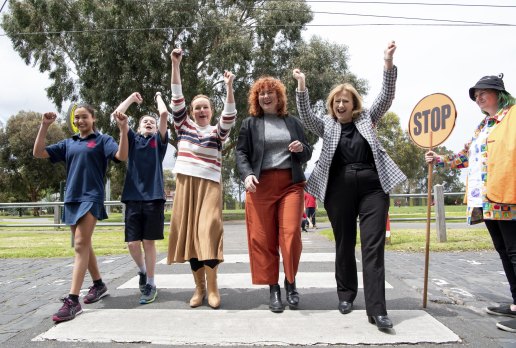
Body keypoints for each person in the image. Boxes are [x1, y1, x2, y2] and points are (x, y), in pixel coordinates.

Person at [293, 40, 406, 330]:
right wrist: (302, 86)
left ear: (354, 104)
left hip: (372, 188)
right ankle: (345, 294)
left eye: (346, 101)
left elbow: (387, 96)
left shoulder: (369, 117)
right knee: (344, 243)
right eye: (336, 102)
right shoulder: (327, 126)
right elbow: (306, 116)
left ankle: (377, 310)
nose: (341, 105)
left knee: (373, 246)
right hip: (338, 189)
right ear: (332, 106)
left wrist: (388, 64)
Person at [425, 73, 516, 333]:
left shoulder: (512, 117)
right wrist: (439, 159)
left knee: (514, 251)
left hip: (508, 194)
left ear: (499, 94)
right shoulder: (484, 125)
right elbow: (464, 157)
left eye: (483, 92)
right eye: (476, 95)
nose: (478, 98)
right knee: (503, 250)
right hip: (486, 199)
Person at [33, 106, 129, 322]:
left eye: (84, 116)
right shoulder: (69, 143)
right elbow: (38, 153)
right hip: (72, 198)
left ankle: (73, 300)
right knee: (83, 244)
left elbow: (121, 156)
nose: (80, 120)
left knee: (79, 244)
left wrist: (123, 130)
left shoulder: (103, 140)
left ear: (93, 118)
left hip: (91, 197)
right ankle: (99, 284)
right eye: (77, 117)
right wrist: (44, 126)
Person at [164, 48, 236, 309]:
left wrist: (229, 87)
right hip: (186, 184)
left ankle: (214, 287)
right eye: (197, 108)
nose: (201, 110)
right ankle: (199, 288)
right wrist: (176, 65)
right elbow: (176, 98)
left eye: (205, 107)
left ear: (210, 110)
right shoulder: (183, 126)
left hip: (209, 186)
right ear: (191, 112)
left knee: (208, 231)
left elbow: (229, 116)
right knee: (191, 237)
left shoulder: (217, 133)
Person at [236, 76, 312, 313]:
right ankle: (274, 288)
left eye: (271, 92)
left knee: (290, 235)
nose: (266, 96)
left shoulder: (293, 122)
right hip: (260, 186)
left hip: (290, 184)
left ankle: (291, 283)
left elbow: (307, 152)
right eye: (262, 93)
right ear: (256, 98)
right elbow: (241, 153)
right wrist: (247, 174)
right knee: (263, 239)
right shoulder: (250, 124)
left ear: (279, 97)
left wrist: (301, 149)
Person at [114, 92, 169, 304]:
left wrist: (157, 96)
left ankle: (151, 283)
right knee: (132, 243)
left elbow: (164, 113)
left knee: (148, 242)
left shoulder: (158, 142)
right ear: (138, 127)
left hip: (154, 197)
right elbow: (118, 115)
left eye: (152, 122)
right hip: (132, 197)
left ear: (156, 129)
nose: (149, 122)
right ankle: (143, 271)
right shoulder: (132, 139)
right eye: (145, 121)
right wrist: (130, 99)